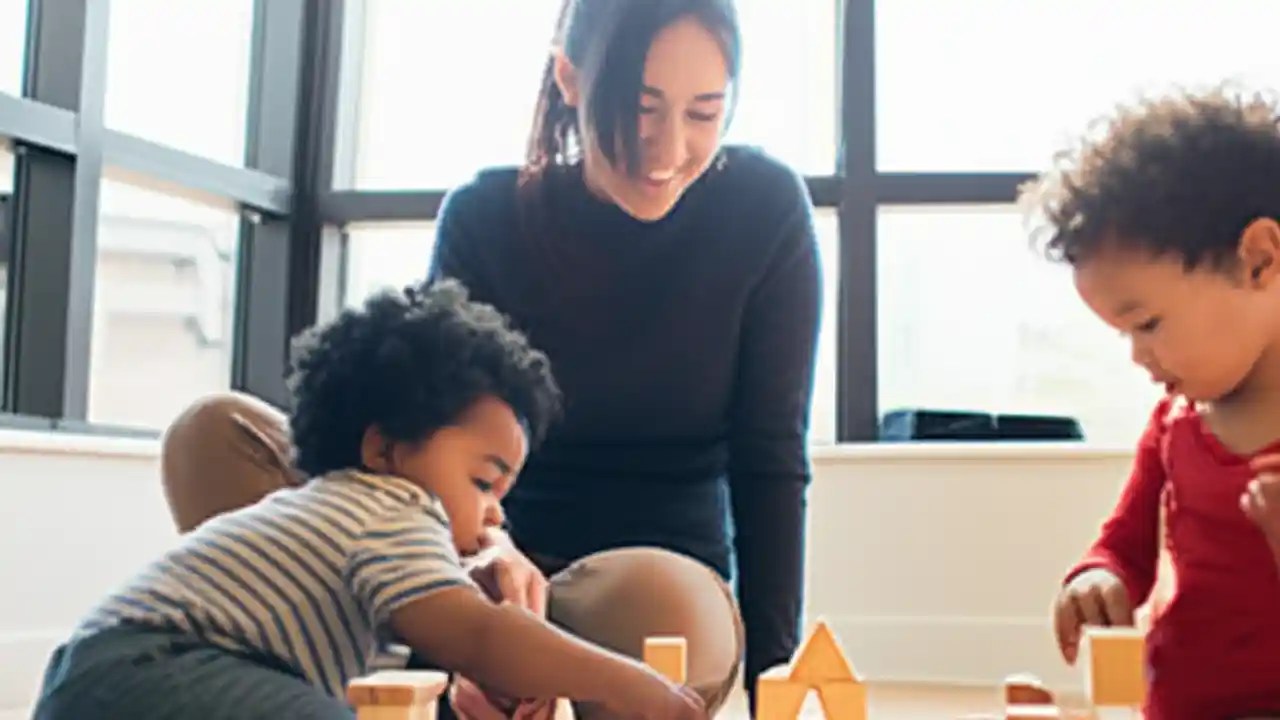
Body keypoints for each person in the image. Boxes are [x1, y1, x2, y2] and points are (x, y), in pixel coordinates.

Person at [159, 0, 819, 716]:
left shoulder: (765, 211)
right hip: (461, 559)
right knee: (219, 436)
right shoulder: (485, 216)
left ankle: (457, 663)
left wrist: (773, 688)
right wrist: (480, 565)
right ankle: (398, 662)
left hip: (634, 594)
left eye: (703, 113)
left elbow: (771, 461)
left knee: (671, 615)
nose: (665, 151)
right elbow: (419, 436)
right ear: (569, 78)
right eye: (641, 107)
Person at [32, 279, 708, 720]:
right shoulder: (389, 509)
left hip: (112, 674)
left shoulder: (337, 511)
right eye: (482, 483)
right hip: (150, 671)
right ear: (385, 449)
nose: (495, 514)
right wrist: (627, 684)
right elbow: (477, 633)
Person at [1021, 85, 1280, 718]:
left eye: (1149, 323)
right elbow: (1124, 544)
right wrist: (1097, 577)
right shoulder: (1176, 425)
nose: (1137, 355)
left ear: (1259, 259)